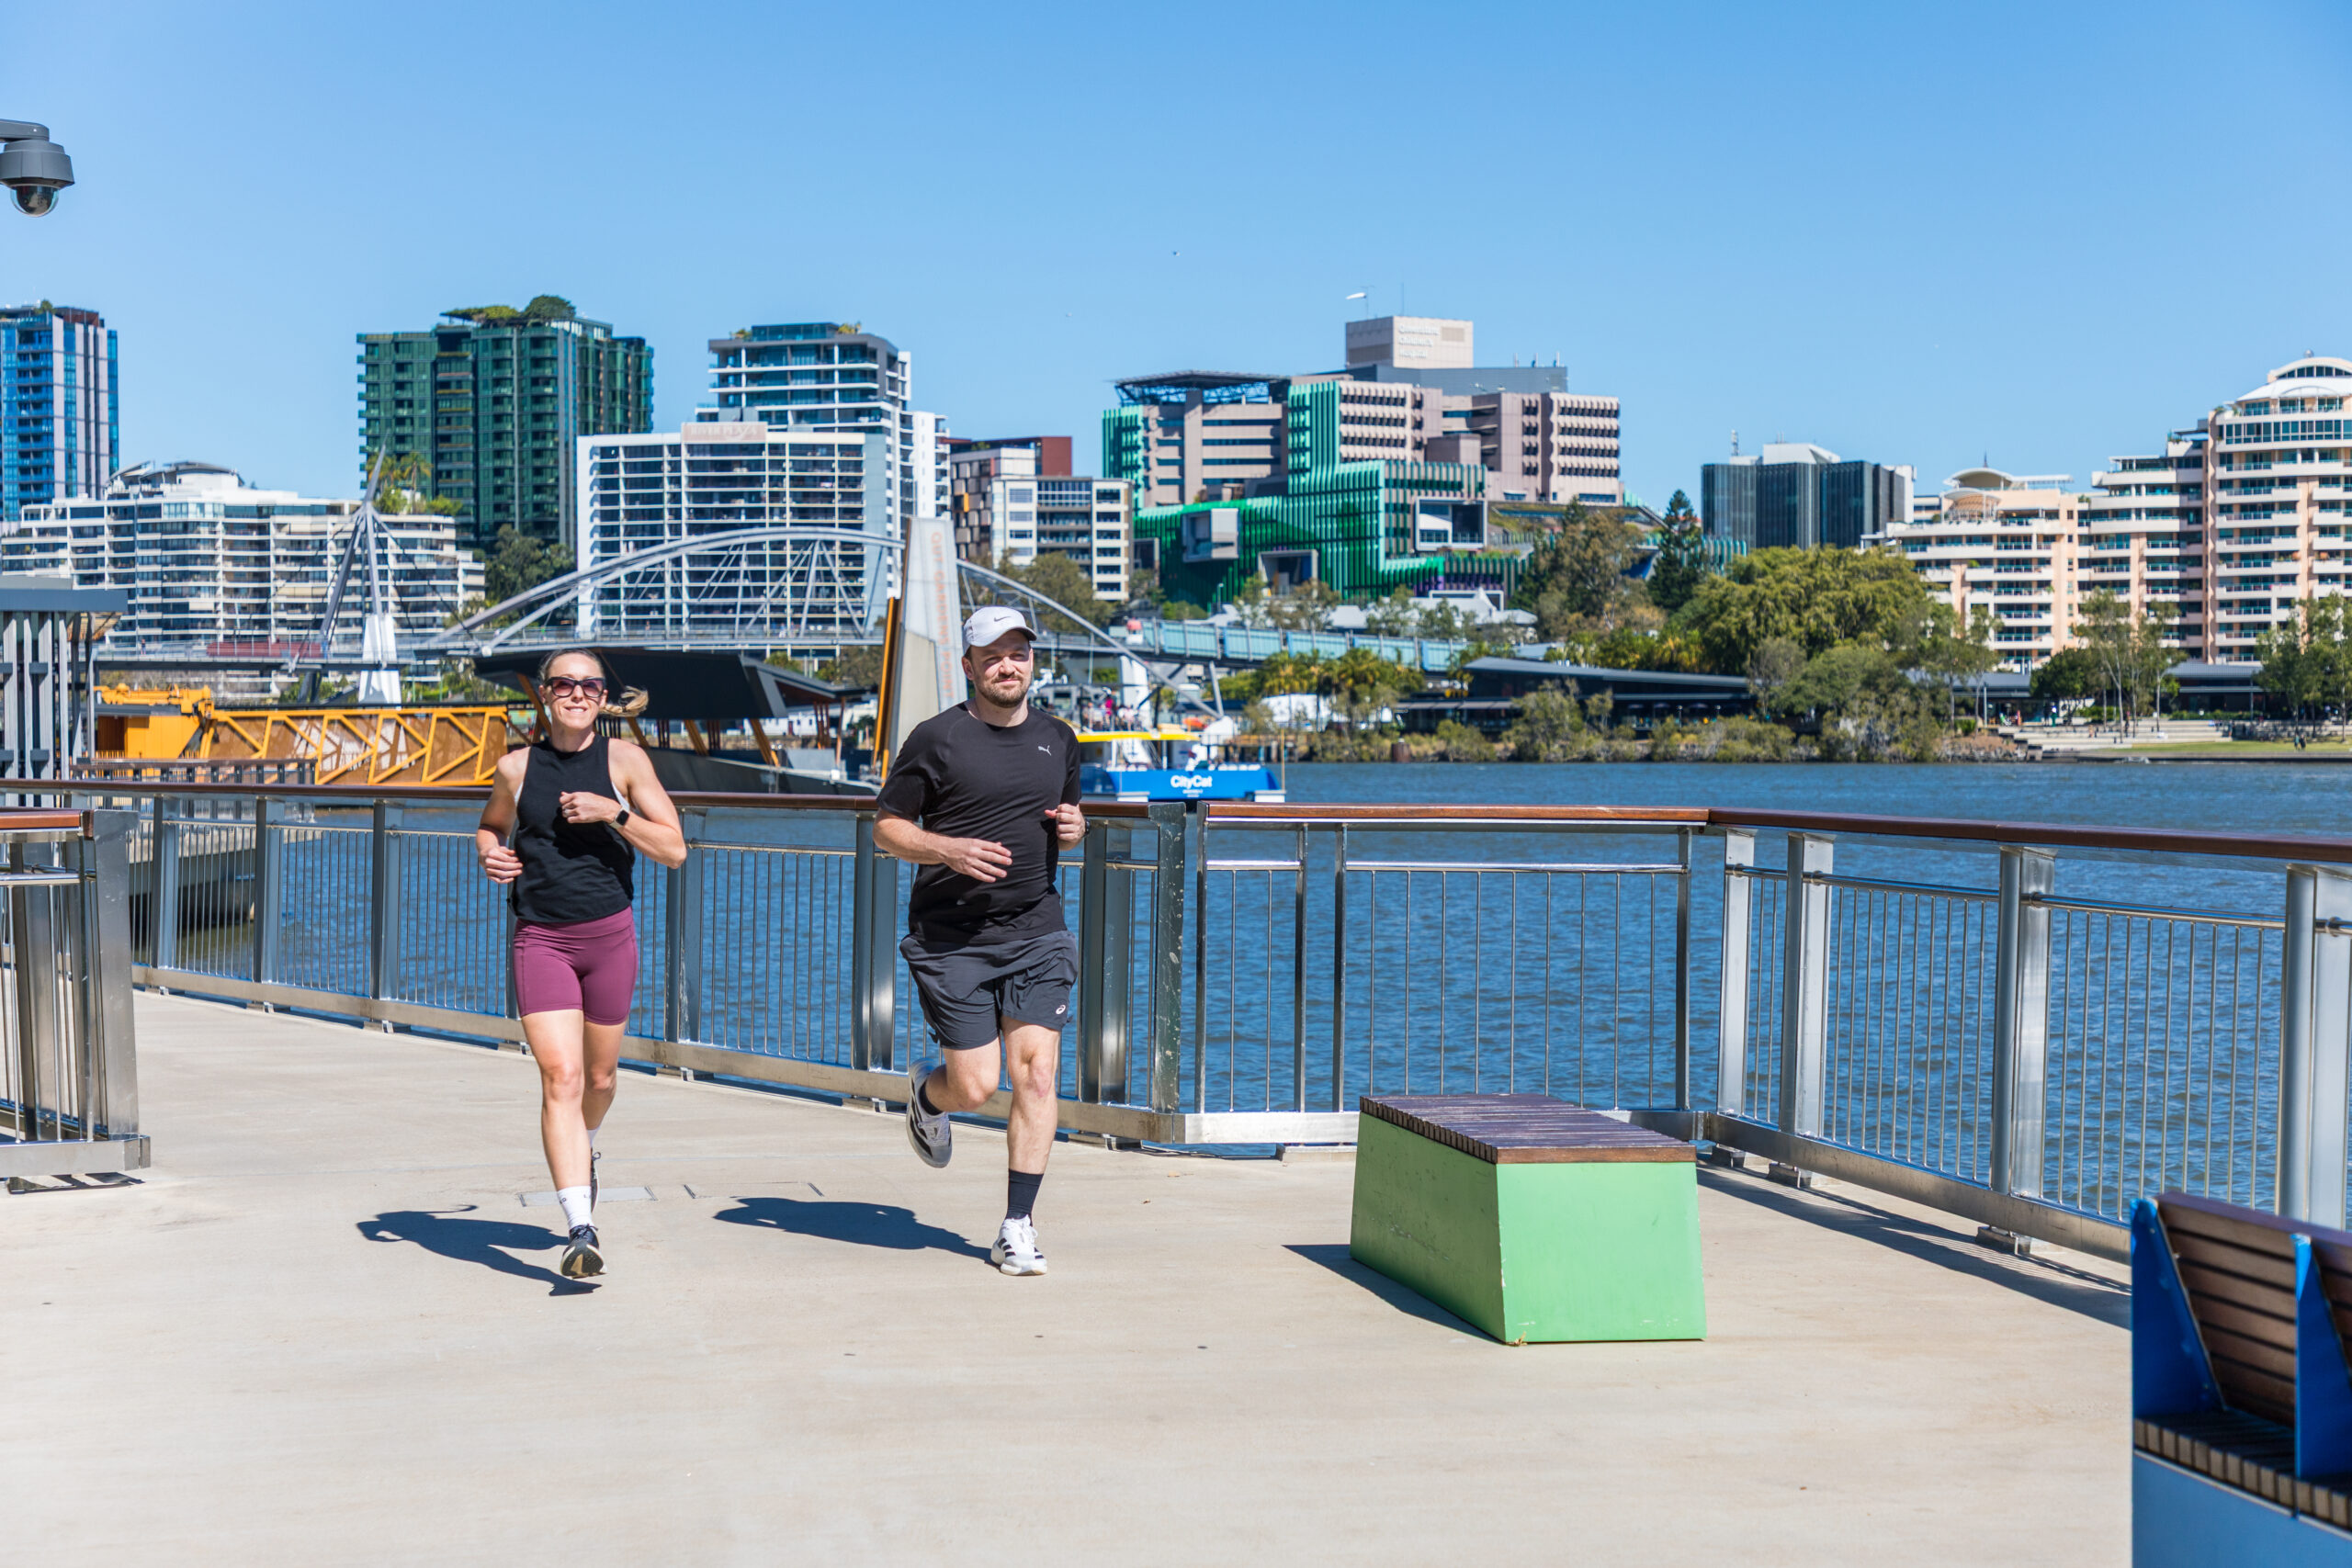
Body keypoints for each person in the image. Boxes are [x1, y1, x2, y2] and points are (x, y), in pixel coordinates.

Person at [876, 605, 1084, 1276]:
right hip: (952, 938)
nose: (1007, 665)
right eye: (992, 654)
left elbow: (1067, 819)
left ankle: (1016, 1226)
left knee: (1039, 1075)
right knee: (974, 1085)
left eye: (1017, 652)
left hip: (1036, 930)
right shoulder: (936, 739)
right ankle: (926, 1095)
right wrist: (945, 848)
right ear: (968, 666)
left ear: (1031, 661)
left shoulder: (1059, 738)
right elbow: (886, 827)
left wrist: (1076, 828)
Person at [477, 649, 686, 1280]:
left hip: (608, 937)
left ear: (602, 696)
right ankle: (580, 1226)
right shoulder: (515, 768)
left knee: (598, 1081)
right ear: (543, 693)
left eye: (589, 685)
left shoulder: (625, 762)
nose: (576, 693)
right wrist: (491, 853)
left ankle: (582, 1151)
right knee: (561, 1077)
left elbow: (674, 848)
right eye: (563, 683)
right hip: (540, 937)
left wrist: (614, 814)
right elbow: (489, 827)